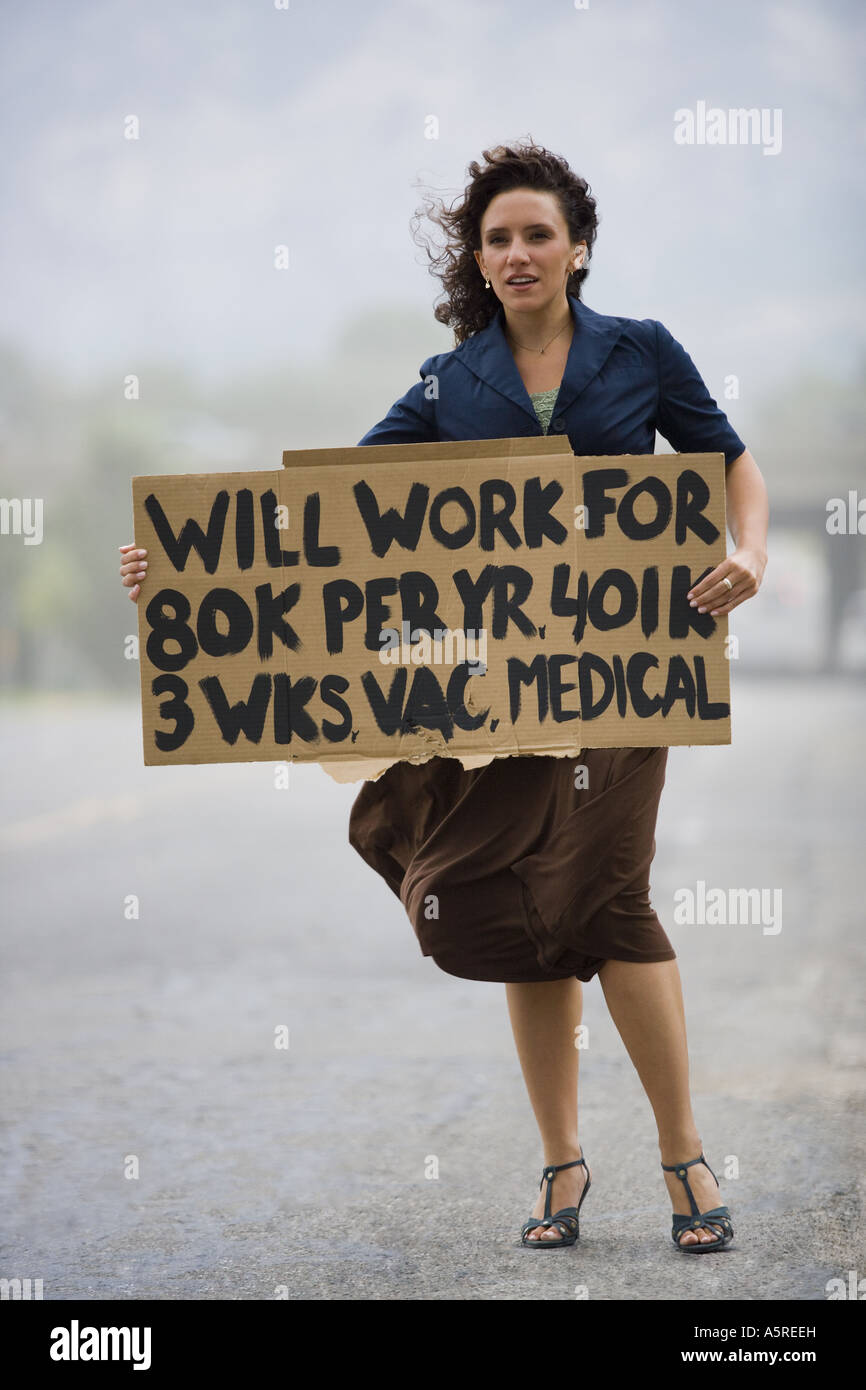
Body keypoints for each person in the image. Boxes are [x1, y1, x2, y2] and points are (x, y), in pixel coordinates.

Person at [119, 139, 769, 1254]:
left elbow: (729, 461)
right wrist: (181, 564)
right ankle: (562, 1161)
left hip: (622, 684)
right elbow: (326, 518)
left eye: (538, 235)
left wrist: (747, 552)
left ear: (577, 248)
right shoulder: (446, 381)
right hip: (504, 705)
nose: (518, 254)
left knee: (613, 899)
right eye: (497, 239)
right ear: (477, 258)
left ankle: (682, 1151)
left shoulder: (643, 351)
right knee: (524, 913)